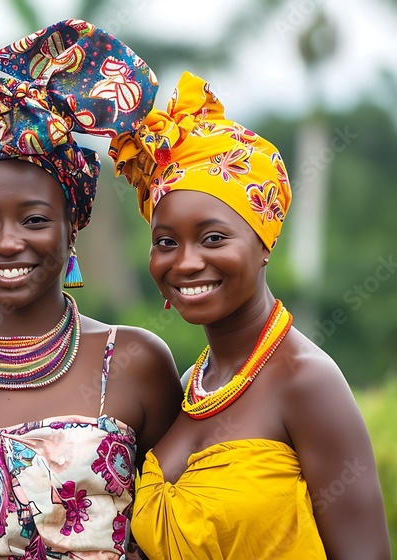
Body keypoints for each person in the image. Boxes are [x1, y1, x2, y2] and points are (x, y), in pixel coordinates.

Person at [0, 19, 183, 559]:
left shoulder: (135, 361)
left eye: (33, 220)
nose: (7, 243)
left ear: (71, 225)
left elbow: (176, 534)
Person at [109, 71, 392, 558]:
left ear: (264, 243)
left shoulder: (307, 382)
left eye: (213, 238)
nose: (187, 261)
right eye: (166, 242)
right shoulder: (185, 387)